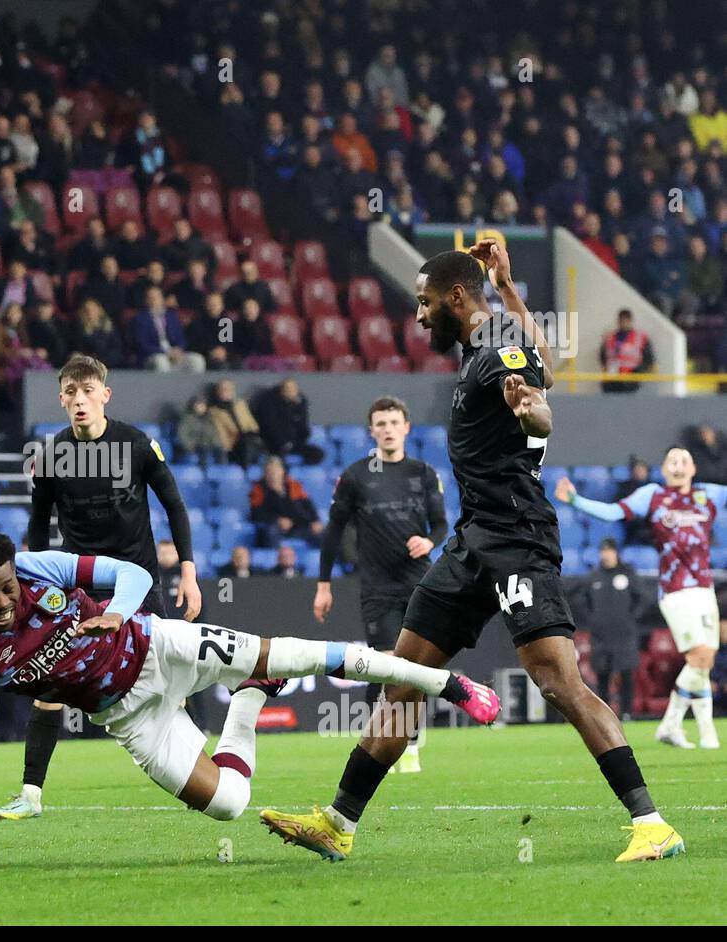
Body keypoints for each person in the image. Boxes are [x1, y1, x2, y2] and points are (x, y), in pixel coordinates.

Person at [261, 242, 681, 864]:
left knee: (556, 680)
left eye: (427, 302)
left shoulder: (492, 354)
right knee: (404, 677)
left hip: (517, 538)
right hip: (471, 542)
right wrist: (510, 288)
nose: (421, 315)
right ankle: (339, 822)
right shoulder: (485, 344)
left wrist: (531, 413)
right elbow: (540, 360)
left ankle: (651, 823)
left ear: (457, 297)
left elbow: (542, 402)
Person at [0, 532, 500, 855]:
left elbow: (136, 577)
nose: (5, 600)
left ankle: (446, 682)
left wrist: (116, 614)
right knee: (230, 804)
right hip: (129, 717)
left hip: (160, 645)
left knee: (291, 653)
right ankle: (249, 698)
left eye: (8, 587)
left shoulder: (40, 567)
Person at [0, 354, 203, 820]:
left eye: (88, 391)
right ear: (62, 399)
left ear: (105, 395)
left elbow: (175, 506)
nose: (79, 400)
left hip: (138, 580)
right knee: (49, 683)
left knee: (173, 680)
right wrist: (37, 586)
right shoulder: (50, 456)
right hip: (81, 586)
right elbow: (37, 525)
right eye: (71, 392)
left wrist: (187, 571)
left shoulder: (137, 445)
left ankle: (199, 774)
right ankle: (30, 795)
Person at [557, 446, 725, 749]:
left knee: (705, 660)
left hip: (704, 588)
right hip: (675, 590)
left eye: (683, 460)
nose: (678, 465)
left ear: (693, 469)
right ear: (663, 467)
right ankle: (674, 724)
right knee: (698, 656)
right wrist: (576, 500)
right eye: (672, 460)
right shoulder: (652, 496)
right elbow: (612, 512)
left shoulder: (709, 495)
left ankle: (703, 730)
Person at [314, 396, 449, 774]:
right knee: (388, 665)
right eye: (381, 423)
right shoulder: (356, 476)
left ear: (406, 427)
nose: (388, 429)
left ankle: (410, 744)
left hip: (421, 585)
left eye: (394, 422)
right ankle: (380, 745)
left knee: (417, 667)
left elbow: (440, 524)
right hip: (378, 587)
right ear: (372, 430)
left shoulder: (424, 474)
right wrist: (323, 584)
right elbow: (334, 530)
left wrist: (429, 542)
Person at [578, 538, 644, 720]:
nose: (606, 555)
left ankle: (627, 712)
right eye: (603, 551)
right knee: (602, 675)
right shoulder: (594, 576)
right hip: (601, 635)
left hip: (624, 633)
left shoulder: (628, 574)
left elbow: (641, 599)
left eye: (609, 551)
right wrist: (594, 620)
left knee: (627, 673)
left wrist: (629, 618)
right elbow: (583, 602)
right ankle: (605, 714)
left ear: (616, 552)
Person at [249, 456, 324, 547]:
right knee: (271, 531)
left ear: (282, 471)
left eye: (276, 471)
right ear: (264, 474)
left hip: (299, 525)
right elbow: (255, 513)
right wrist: (277, 520)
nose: (273, 475)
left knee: (325, 531)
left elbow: (308, 505)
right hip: (276, 528)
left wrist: (315, 520)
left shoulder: (294, 485)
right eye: (269, 471)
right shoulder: (258, 489)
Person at [253, 379, 326, 463]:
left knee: (317, 453)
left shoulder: (300, 404)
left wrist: (298, 407)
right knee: (278, 455)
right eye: (288, 389)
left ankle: (300, 472)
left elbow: (303, 426)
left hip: (295, 443)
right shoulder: (269, 403)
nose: (291, 392)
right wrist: (284, 442)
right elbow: (269, 427)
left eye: (294, 390)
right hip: (274, 443)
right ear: (282, 390)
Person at [599, 309, 654, 393]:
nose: (623, 322)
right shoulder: (609, 337)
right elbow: (603, 357)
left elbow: (648, 360)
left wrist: (637, 374)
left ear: (631, 321)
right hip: (611, 379)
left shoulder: (640, 337)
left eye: (626, 320)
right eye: (621, 320)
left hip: (631, 380)